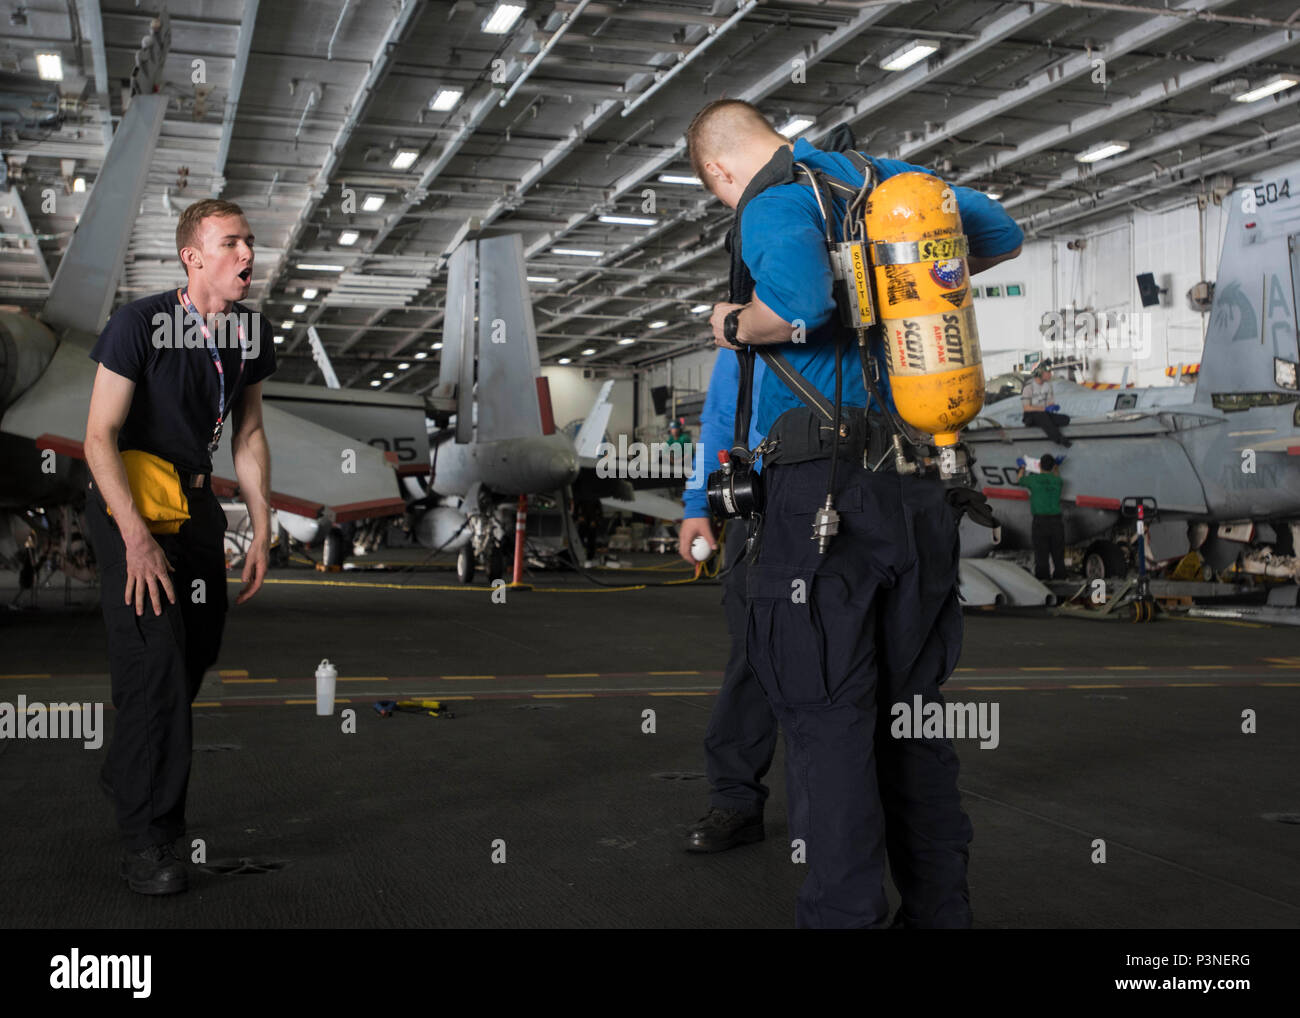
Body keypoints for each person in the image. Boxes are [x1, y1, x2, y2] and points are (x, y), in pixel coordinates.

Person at [687, 98, 1023, 928]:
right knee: (912, 720)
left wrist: (731, 318)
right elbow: (1002, 233)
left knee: (829, 727)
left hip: (821, 496)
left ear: (722, 172)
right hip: (918, 486)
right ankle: (943, 914)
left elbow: (799, 303)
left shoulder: (770, 200)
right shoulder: (890, 183)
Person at [82, 198, 276, 895]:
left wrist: (260, 522)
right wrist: (134, 540)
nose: (247, 255)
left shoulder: (249, 331)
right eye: (230, 243)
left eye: (250, 243)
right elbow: (98, 436)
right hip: (128, 499)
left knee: (197, 651)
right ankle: (152, 841)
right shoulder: (138, 324)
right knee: (157, 662)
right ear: (192, 257)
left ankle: (130, 765)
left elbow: (249, 435)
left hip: (192, 503)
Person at [677, 351, 775, 852]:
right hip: (760, 504)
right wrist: (699, 504)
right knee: (753, 656)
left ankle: (847, 803)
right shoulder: (744, 325)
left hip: (851, 494)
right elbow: (720, 415)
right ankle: (735, 800)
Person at [1016, 453, 1067, 580]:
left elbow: (1020, 480)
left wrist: (1022, 467)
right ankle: (1061, 584)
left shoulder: (1034, 480)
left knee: (1041, 557)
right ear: (1052, 467)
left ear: (1039, 465)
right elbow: (1055, 475)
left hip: (1040, 523)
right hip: (1056, 523)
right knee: (1058, 557)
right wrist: (1056, 467)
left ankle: (1044, 584)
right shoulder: (1058, 481)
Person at [1021, 363, 1071, 446]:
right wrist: (1044, 409)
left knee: (1065, 419)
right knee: (1040, 415)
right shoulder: (1028, 388)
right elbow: (1026, 408)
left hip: (1044, 414)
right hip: (1031, 415)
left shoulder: (1048, 386)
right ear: (1040, 373)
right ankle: (1058, 438)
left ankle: (1044, 423)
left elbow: (1049, 402)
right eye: (1048, 372)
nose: (1050, 374)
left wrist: (1053, 406)